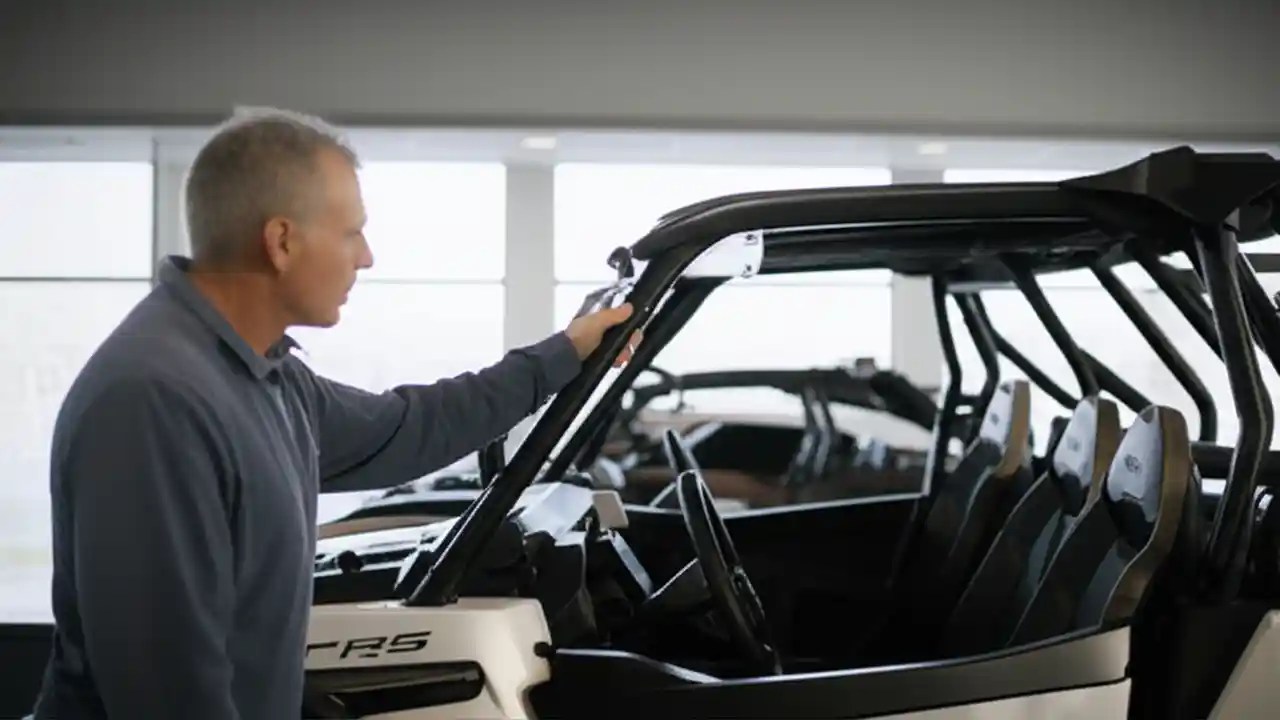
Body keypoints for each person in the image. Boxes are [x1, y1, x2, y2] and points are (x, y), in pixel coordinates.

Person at [30, 107, 639, 720]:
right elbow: (169, 692)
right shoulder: (155, 400)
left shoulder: (267, 377)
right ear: (282, 242)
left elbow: (409, 427)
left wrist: (563, 356)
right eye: (352, 233)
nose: (366, 256)